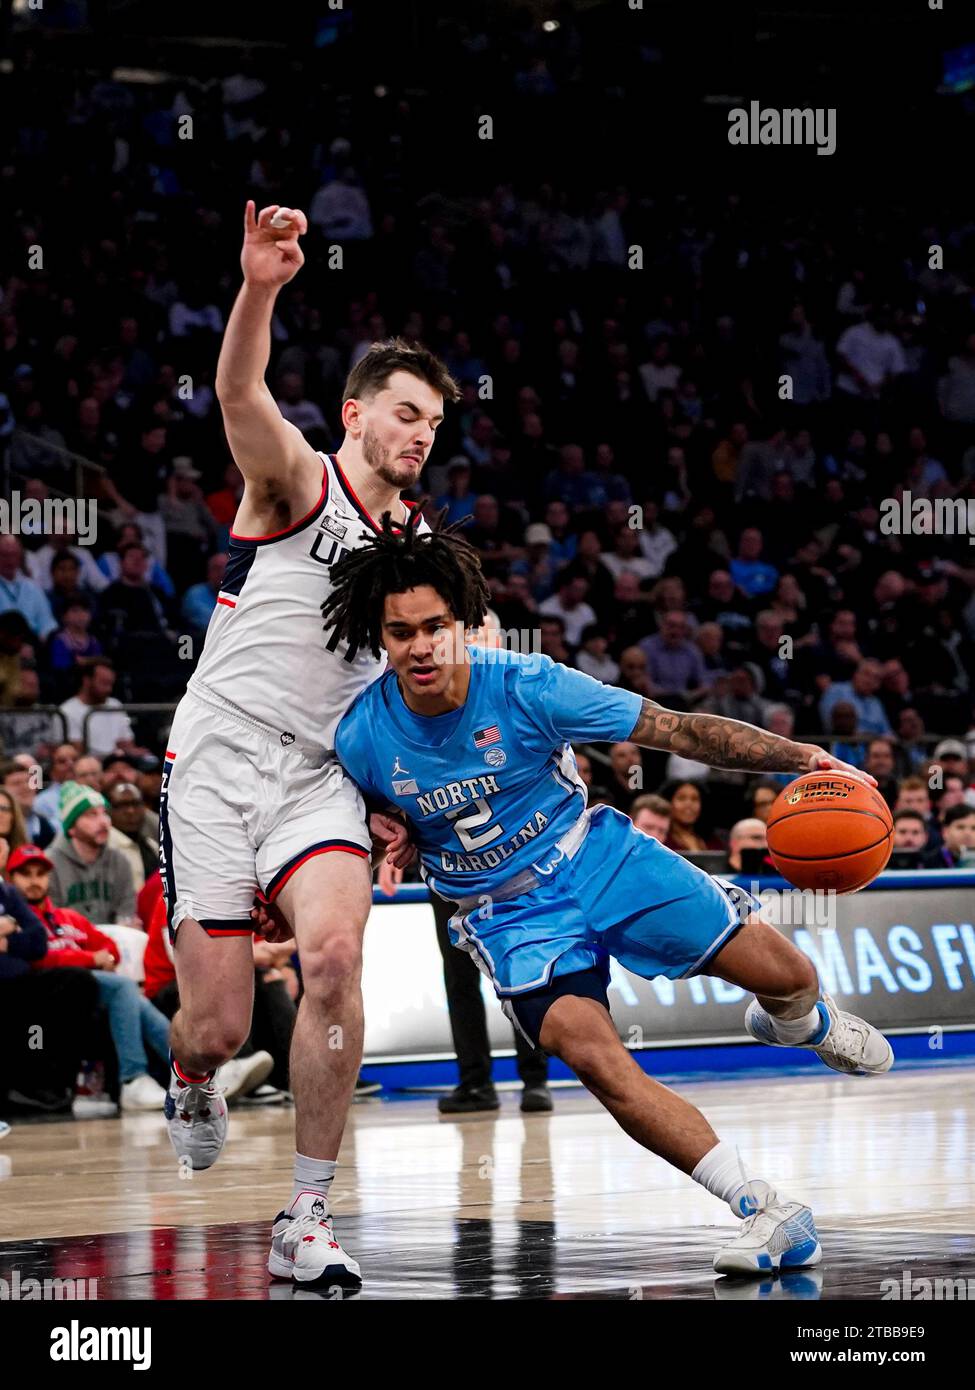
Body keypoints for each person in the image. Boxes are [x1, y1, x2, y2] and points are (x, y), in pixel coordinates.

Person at [327, 510, 893, 1277]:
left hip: (597, 854)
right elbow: (358, 820)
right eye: (400, 633)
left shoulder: (529, 685)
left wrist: (801, 757)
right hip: (507, 914)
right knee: (594, 1058)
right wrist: (379, 826)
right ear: (380, 639)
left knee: (787, 977)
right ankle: (767, 1211)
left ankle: (803, 1020)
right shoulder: (361, 735)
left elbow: (674, 729)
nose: (420, 647)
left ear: (464, 624)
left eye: (434, 626)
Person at [160, 200, 453, 1292]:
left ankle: (307, 1215)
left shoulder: (424, 548)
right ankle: (193, 1074)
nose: (422, 434)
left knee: (334, 959)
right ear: (356, 414)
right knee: (219, 1021)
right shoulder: (296, 480)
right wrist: (262, 286)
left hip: (319, 778)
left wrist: (408, 796)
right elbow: (238, 391)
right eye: (407, 412)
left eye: (435, 422)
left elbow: (424, 680)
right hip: (218, 763)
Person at [7, 843, 169, 1111]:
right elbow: (38, 956)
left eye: (40, 874)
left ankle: (190, 1070)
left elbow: (110, 946)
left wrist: (103, 959)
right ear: (11, 880)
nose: (35, 881)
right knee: (123, 987)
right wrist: (89, 959)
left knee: (133, 999)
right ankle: (137, 1077)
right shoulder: (15, 921)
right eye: (26, 874)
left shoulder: (68, 918)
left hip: (89, 987)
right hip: (49, 990)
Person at [46, 781, 136, 924]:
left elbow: (127, 915)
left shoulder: (120, 861)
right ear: (71, 828)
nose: (104, 822)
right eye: (92, 815)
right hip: (69, 941)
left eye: (104, 813)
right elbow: (51, 920)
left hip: (114, 941)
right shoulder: (49, 863)